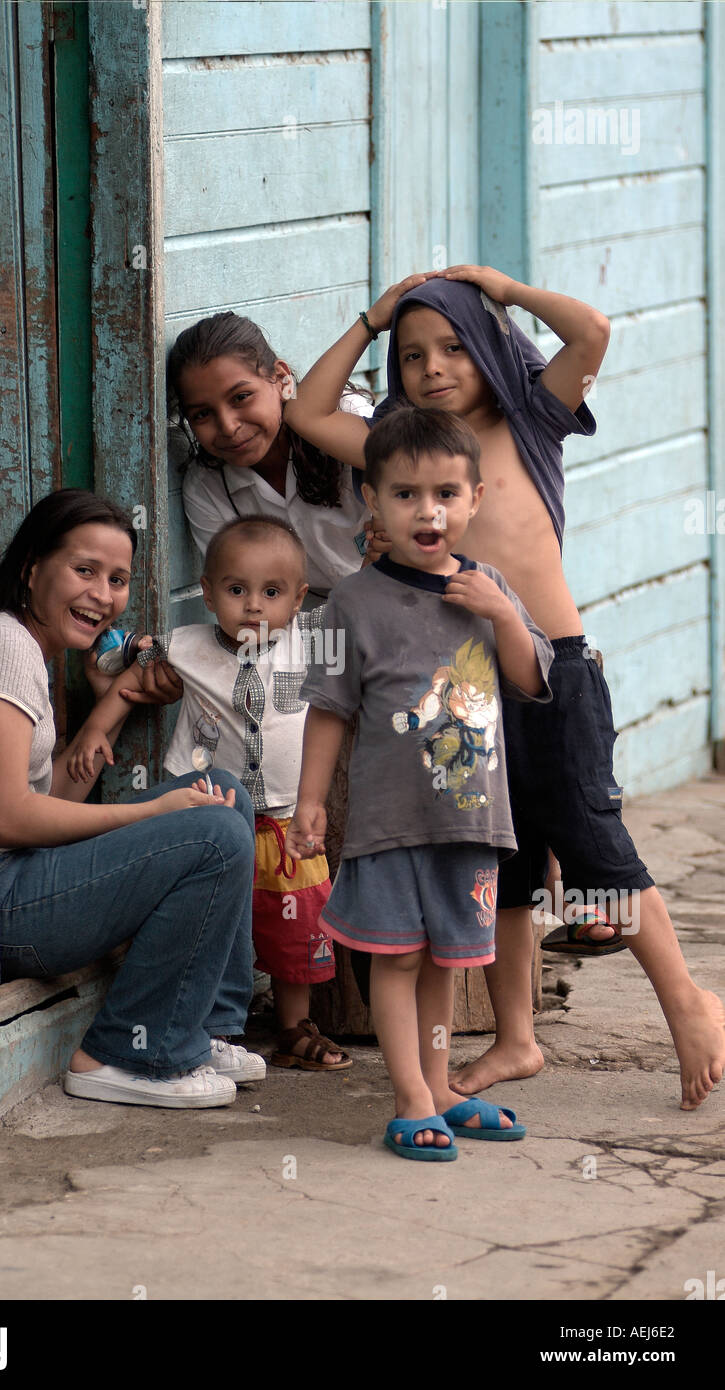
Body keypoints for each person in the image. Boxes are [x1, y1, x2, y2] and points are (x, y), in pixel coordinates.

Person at [285, 265, 725, 1111]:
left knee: (594, 849)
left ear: (488, 348)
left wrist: (507, 292)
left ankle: (686, 1000)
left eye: (452, 346)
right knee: (508, 864)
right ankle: (518, 1040)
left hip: (549, 666)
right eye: (411, 356)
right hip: (466, 694)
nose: (432, 367)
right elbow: (306, 413)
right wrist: (372, 318)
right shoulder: (399, 447)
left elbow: (592, 331)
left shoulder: (528, 416)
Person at [287, 407, 553, 1157]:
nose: (425, 510)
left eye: (444, 494)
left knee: (446, 960)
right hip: (388, 822)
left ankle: (438, 1089)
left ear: (472, 501)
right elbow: (329, 710)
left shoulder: (487, 587)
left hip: (468, 822)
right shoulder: (351, 601)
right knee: (396, 959)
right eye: (404, 494)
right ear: (372, 499)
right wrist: (309, 801)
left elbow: (532, 678)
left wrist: (501, 612)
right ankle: (408, 1098)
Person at [0, 488, 265, 1109]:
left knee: (222, 794)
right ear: (33, 568)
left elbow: (53, 797)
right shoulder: (5, 645)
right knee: (213, 830)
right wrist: (149, 812)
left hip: (27, 882)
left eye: (117, 579)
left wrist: (105, 707)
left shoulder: (36, 651)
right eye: (84, 570)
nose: (104, 595)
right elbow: (9, 816)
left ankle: (198, 1027)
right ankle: (124, 1053)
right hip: (3, 904)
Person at [66, 514, 352, 1071]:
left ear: (298, 599)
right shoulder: (185, 646)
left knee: (297, 927)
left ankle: (294, 1026)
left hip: (289, 815)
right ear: (207, 593)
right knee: (222, 920)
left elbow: (366, 628)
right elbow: (122, 672)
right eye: (236, 590)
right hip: (208, 808)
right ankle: (220, 1028)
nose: (253, 606)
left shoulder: (313, 641)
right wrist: (97, 727)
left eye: (271, 593)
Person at [167, 311, 380, 603]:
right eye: (202, 414)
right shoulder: (207, 489)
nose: (228, 426)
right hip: (312, 638)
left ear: (281, 379)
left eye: (241, 397)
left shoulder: (345, 420)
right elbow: (248, 609)